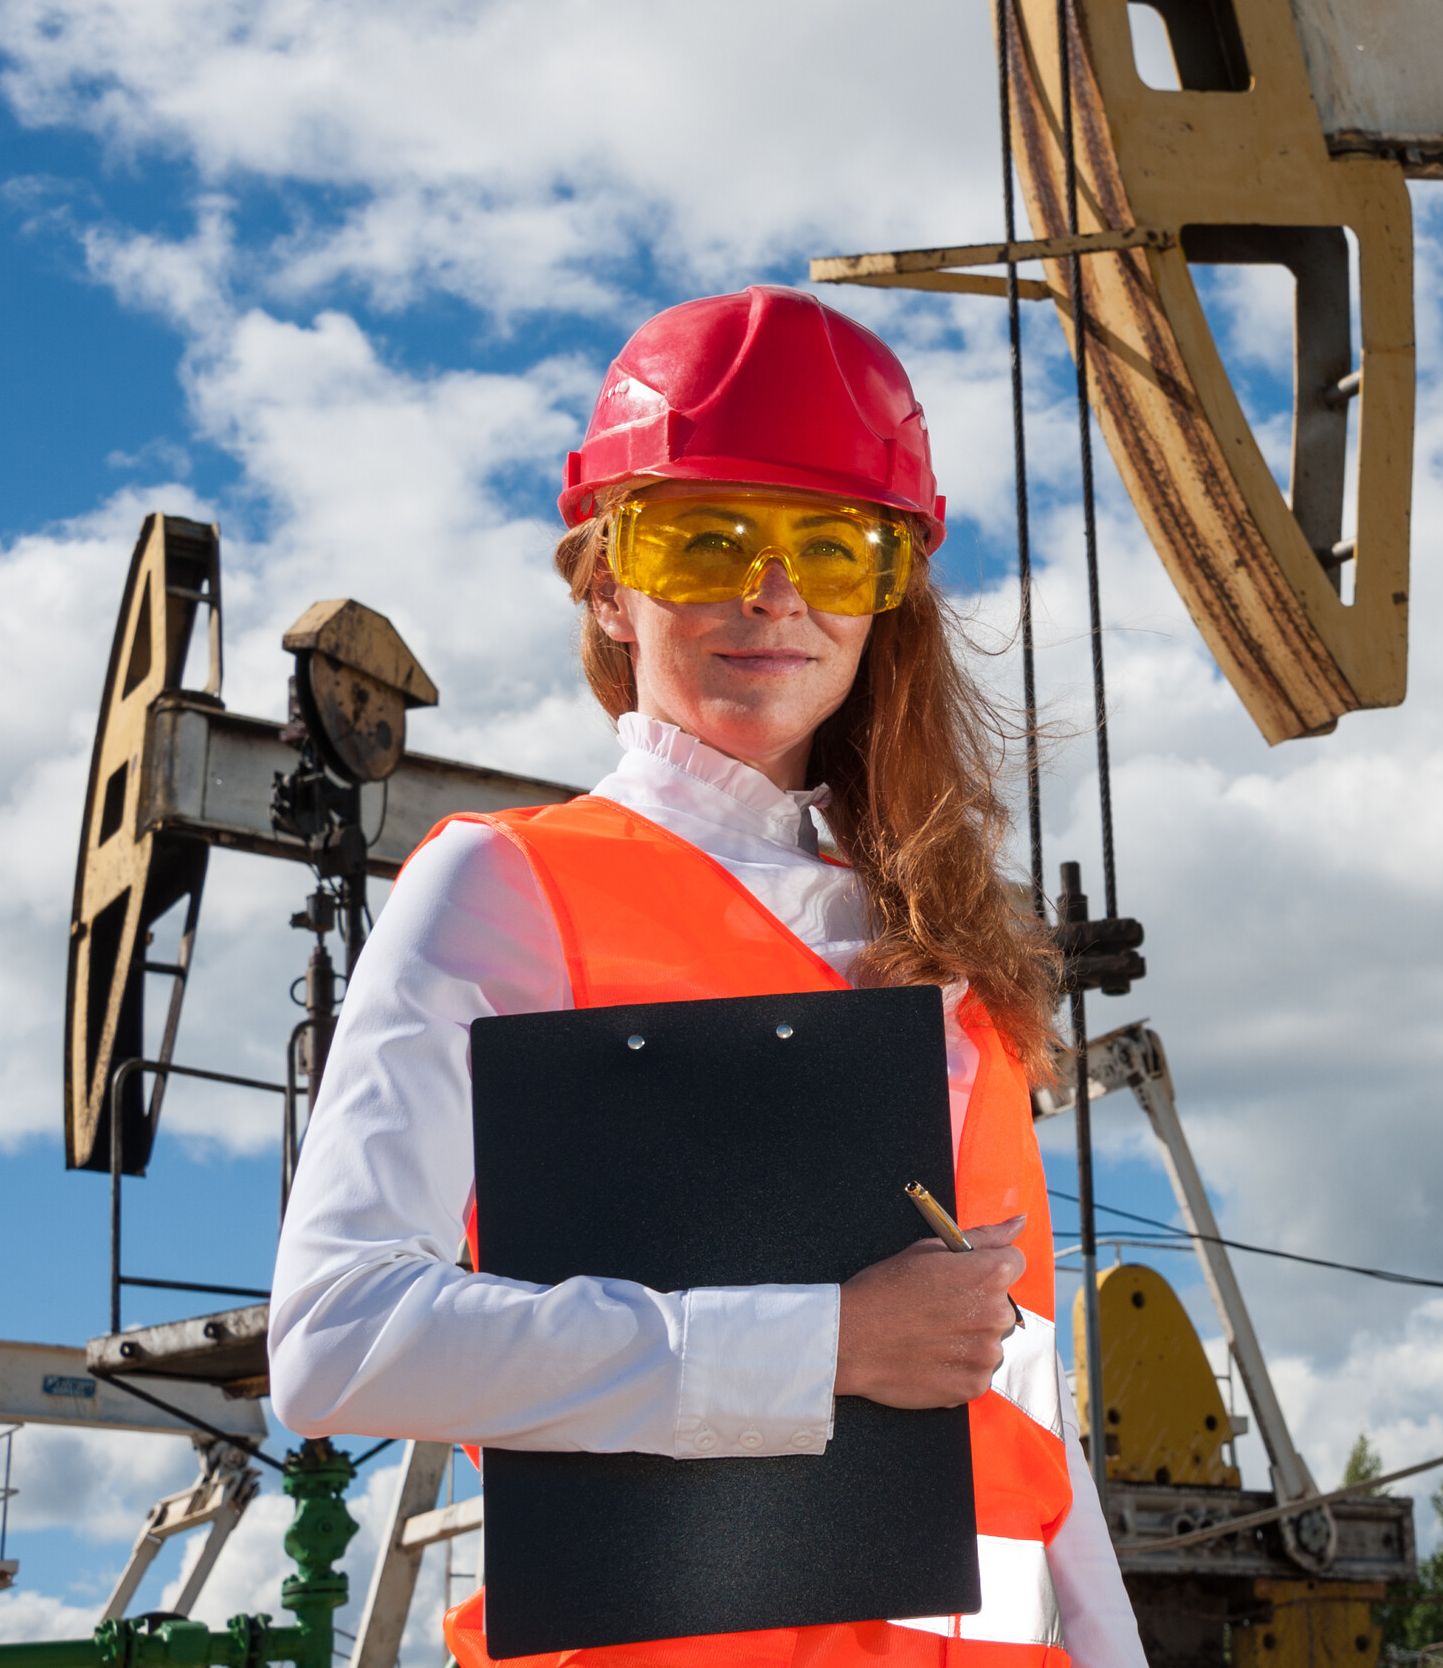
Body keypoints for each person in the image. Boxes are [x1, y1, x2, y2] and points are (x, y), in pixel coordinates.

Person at [268, 284, 1143, 1668]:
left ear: (891, 588)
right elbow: (336, 1338)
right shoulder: (507, 889)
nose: (772, 594)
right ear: (607, 581)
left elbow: (1026, 1417)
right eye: (703, 538)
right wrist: (826, 1345)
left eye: (832, 547)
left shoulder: (951, 964)